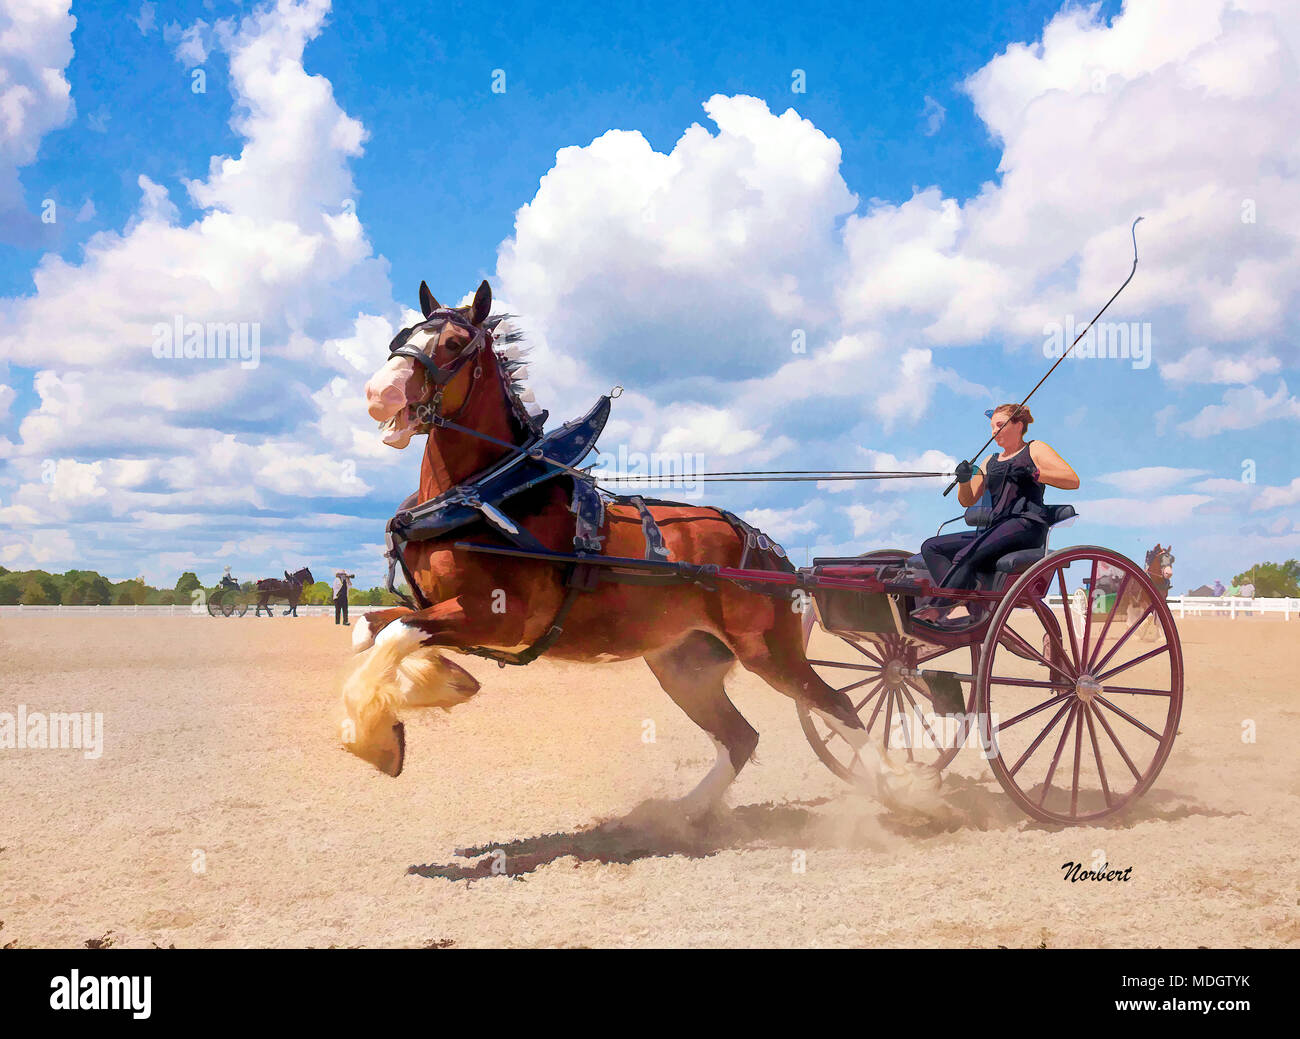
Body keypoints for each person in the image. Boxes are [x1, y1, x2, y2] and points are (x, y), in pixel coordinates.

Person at [912, 404, 1079, 628]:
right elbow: (968, 500)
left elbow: (1072, 480)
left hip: (1026, 524)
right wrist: (963, 480)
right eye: (992, 427)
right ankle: (963, 598)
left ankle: (939, 608)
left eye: (999, 425)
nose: (993, 431)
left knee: (967, 553)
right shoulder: (988, 462)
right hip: (997, 528)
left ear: (1018, 426)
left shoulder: (1035, 449)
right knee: (931, 547)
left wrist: (1036, 472)